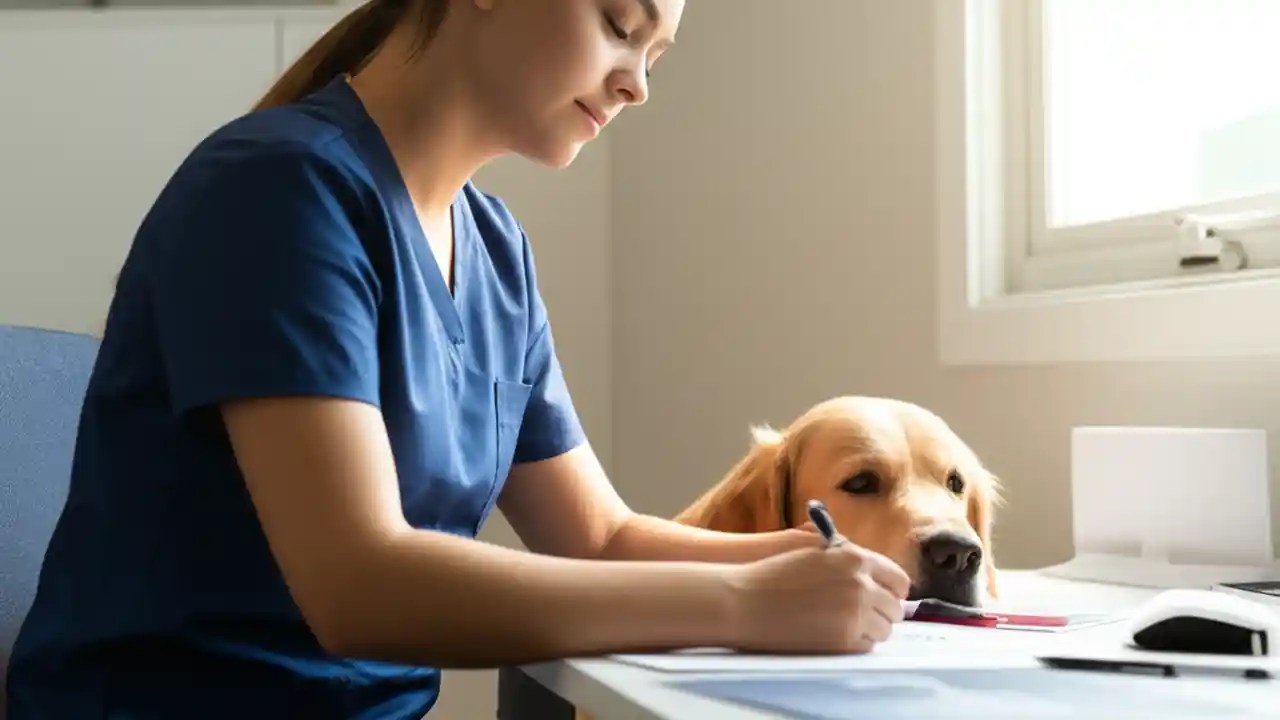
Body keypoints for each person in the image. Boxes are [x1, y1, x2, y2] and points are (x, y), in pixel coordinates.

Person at [5, 0, 911, 717]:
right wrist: (746, 608)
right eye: (619, 27)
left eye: (654, 56)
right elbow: (360, 583)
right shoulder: (277, 192)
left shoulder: (496, 253)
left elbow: (599, 539)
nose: (636, 83)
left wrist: (799, 564)